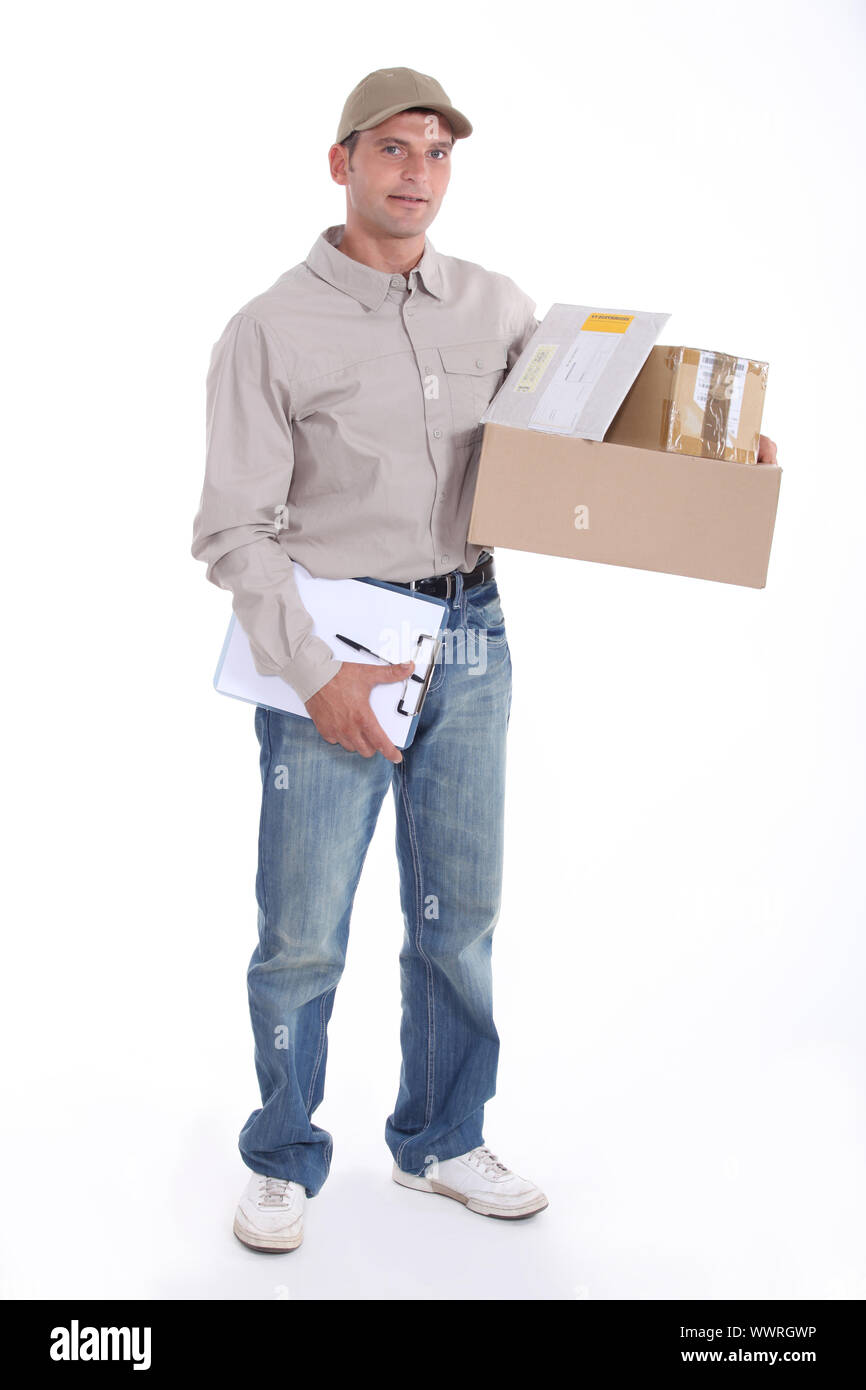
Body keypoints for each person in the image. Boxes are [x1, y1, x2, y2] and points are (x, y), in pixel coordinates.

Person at [192, 66, 779, 1254]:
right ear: (340, 163)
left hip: (471, 634)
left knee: (459, 913)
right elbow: (230, 532)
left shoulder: (499, 305)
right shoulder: (267, 330)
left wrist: (716, 462)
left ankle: (442, 1138)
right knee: (302, 926)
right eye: (393, 150)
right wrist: (314, 674)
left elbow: (582, 440)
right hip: (338, 645)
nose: (417, 174)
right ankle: (282, 1154)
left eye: (436, 152)